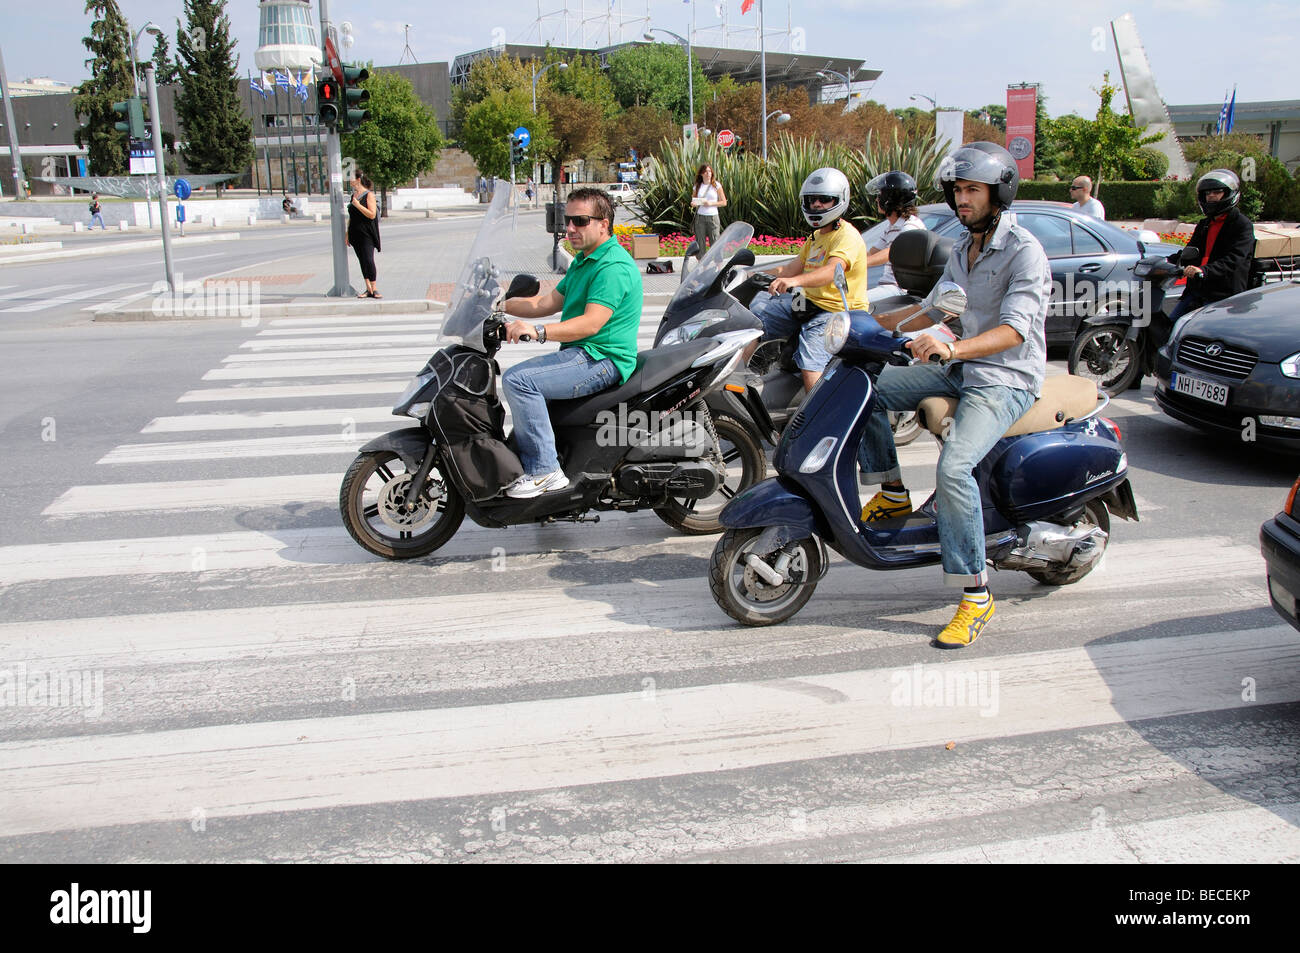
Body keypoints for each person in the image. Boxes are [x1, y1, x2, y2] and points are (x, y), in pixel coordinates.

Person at [856, 142, 1051, 650]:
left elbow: (1014, 331)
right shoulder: (963, 248)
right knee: (865, 391)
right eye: (958, 190)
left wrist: (952, 348)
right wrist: (869, 327)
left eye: (973, 190)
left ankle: (974, 591)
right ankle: (892, 491)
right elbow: (936, 307)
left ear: (997, 192)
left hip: (1004, 378)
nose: (963, 200)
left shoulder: (1023, 251)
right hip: (961, 364)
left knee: (953, 467)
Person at [500, 187, 643, 498]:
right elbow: (545, 303)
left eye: (580, 221)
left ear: (603, 224)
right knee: (525, 382)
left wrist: (538, 332)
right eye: (568, 221)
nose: (570, 229)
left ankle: (544, 471)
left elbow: (591, 323)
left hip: (602, 359)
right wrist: (496, 304)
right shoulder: (584, 260)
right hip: (582, 353)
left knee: (520, 381)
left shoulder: (612, 267)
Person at [741, 167, 869, 393]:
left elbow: (832, 271)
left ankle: (816, 421)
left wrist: (793, 282)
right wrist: (747, 275)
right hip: (808, 304)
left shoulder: (846, 236)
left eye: (825, 200)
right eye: (812, 200)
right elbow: (790, 268)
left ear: (840, 200)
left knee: (810, 364)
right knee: (753, 324)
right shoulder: (816, 237)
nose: (817, 205)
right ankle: (735, 384)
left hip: (837, 311)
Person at [1166, 168, 1255, 322]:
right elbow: (1190, 251)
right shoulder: (1205, 224)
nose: (1211, 196)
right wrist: (1165, 261)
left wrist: (1203, 270)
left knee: (1200, 333)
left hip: (1223, 294)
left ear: (1228, 194)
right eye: (1207, 193)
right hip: (1198, 289)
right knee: (1172, 325)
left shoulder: (1242, 225)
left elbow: (1235, 259)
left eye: (1217, 192)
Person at [863, 170, 927, 302]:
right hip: (888, 287)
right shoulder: (890, 228)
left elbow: (892, 252)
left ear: (890, 198)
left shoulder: (911, 225)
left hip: (901, 289)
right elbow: (871, 253)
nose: (876, 199)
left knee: (854, 305)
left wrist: (860, 264)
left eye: (880, 194)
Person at [345, 169, 382, 299]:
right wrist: (347, 233)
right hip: (354, 233)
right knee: (362, 261)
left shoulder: (368, 195)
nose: (349, 181)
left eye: (351, 178)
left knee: (369, 260)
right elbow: (351, 217)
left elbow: (371, 214)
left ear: (358, 179)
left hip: (366, 234)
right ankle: (368, 289)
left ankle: (375, 288)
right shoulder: (353, 195)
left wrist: (357, 205)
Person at [690, 163, 726, 255]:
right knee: (700, 242)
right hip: (700, 217)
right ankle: (702, 266)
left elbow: (723, 202)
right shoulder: (697, 186)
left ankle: (718, 265)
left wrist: (711, 203)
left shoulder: (716, 185)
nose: (708, 173)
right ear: (701, 174)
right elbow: (693, 201)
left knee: (715, 241)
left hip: (713, 217)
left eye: (709, 171)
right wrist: (694, 204)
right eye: (705, 171)